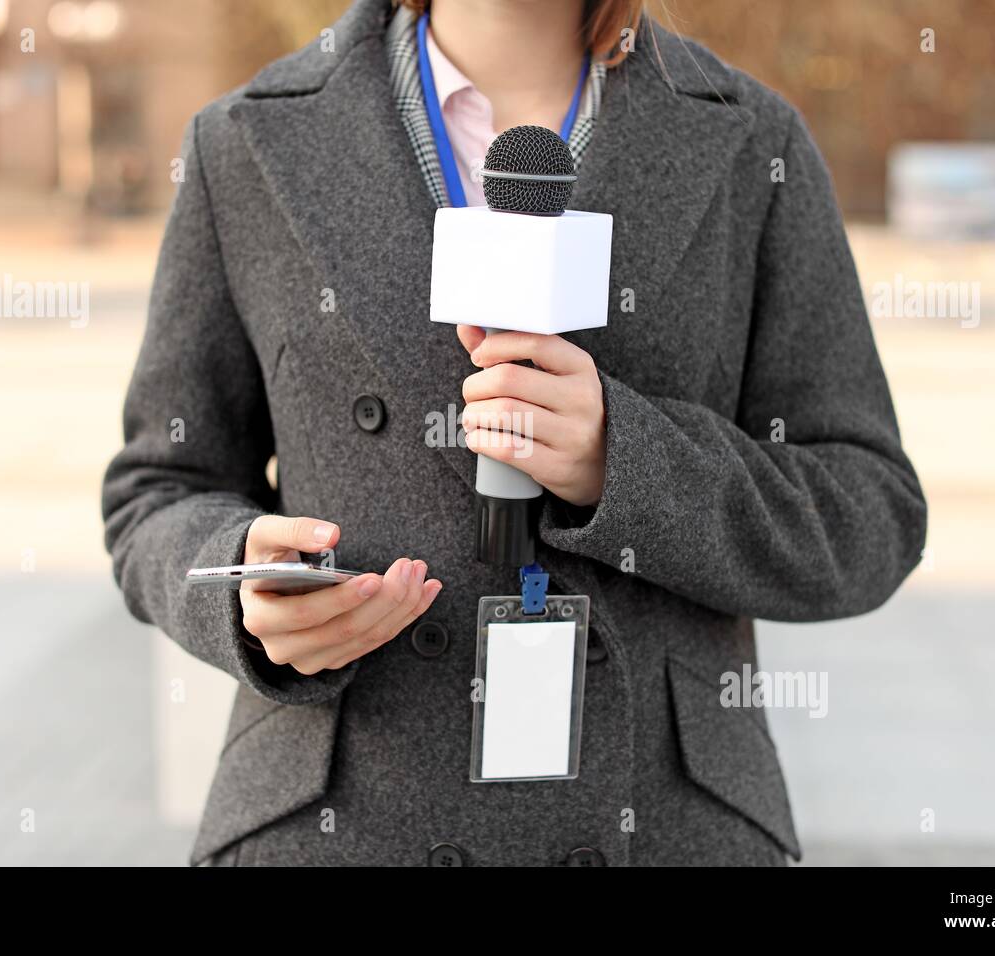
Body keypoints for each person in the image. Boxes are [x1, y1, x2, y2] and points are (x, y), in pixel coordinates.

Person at [102, 0, 927, 866]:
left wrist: (628, 461)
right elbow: (155, 492)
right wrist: (239, 596)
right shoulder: (243, 139)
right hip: (338, 825)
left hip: (661, 826)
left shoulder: (754, 142)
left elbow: (871, 515)